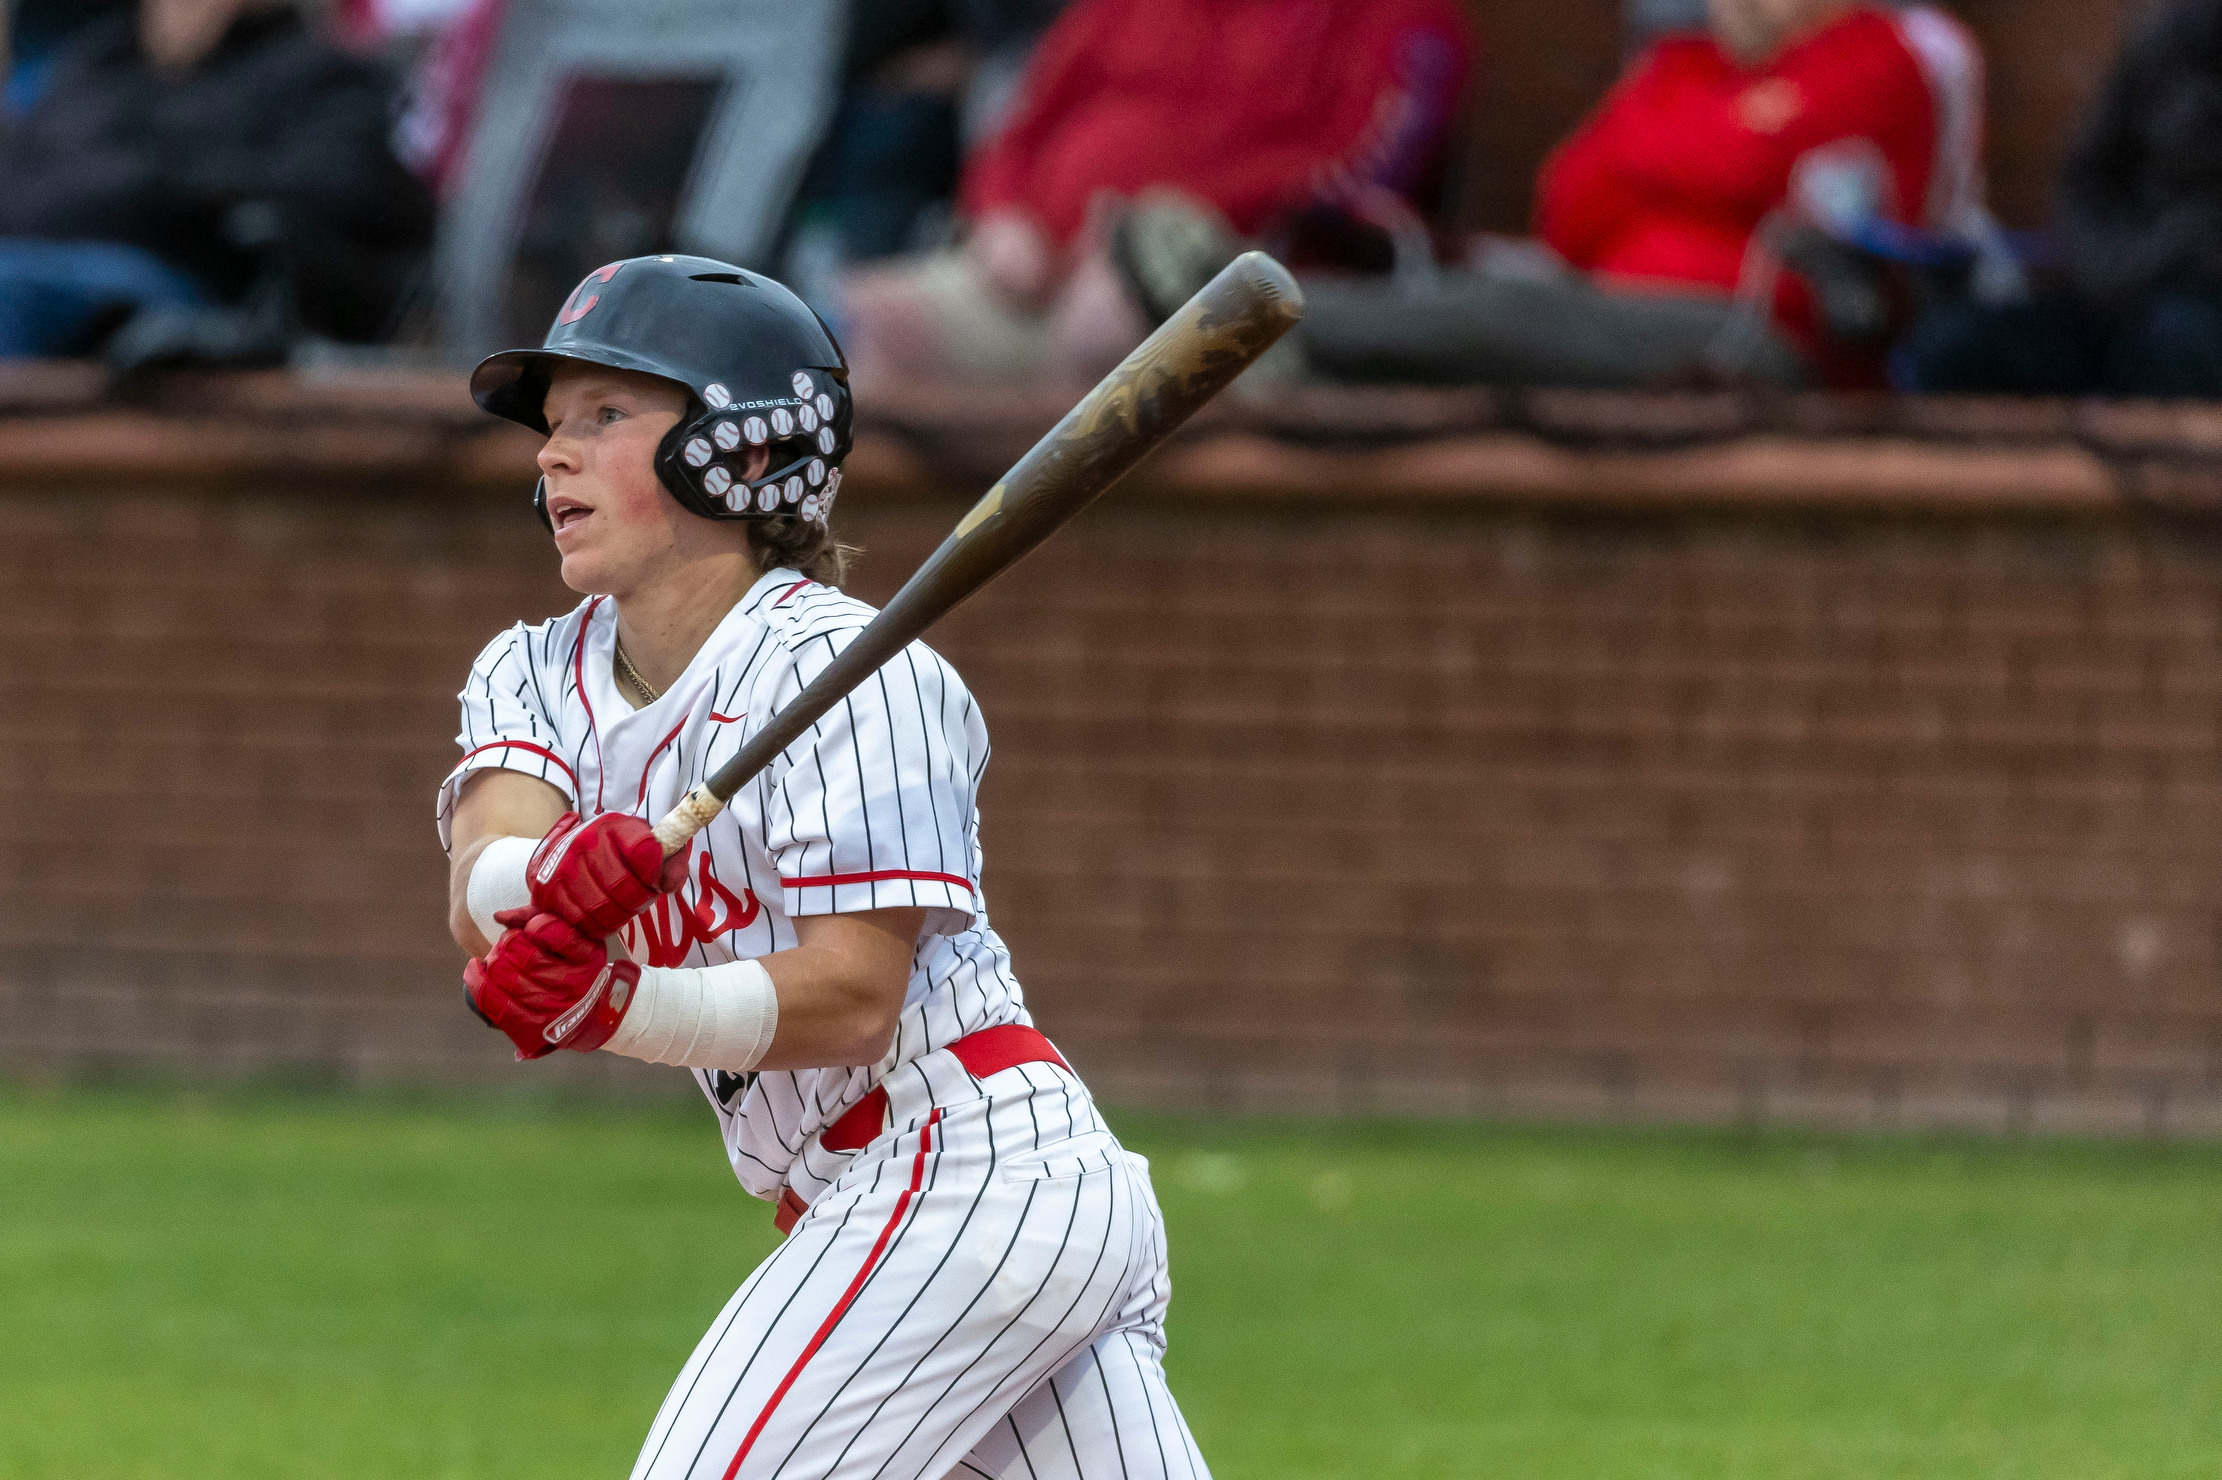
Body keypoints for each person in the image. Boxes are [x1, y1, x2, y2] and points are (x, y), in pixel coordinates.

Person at [442, 255, 1209, 1480]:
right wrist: (540, 886)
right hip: (872, 1205)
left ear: (740, 455)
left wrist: (621, 1003)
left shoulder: (860, 675)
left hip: (966, 1171)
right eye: (551, 425)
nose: (552, 453)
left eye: (605, 415)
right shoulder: (533, 668)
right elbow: (489, 864)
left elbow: (856, 998)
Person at [1127, 0, 1988, 390]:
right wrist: (1708, 150)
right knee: (1511, 298)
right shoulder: (1685, 65)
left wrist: (1672, 156)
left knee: (1509, 314)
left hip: (1763, 335)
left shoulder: (1888, 52)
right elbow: (1568, 198)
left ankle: (1260, 327)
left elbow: (1732, 163)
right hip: (1609, 302)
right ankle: (1261, 325)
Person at [838, 0, 1473, 387]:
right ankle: (884, 598)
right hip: (1036, 277)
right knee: (870, 320)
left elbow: (1367, 177)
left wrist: (1147, 228)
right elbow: (1016, 133)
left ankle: (1068, 592)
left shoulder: (1398, 15)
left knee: (1108, 322)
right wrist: (1003, 219)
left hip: (1234, 291)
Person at [0, 0, 434, 357]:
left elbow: (329, 197)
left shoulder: (324, 76)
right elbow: (17, 179)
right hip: (35, 262)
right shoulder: (93, 66)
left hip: (180, 301)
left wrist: (142, 183)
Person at [1898, 0, 2222, 398]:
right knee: (1953, 345)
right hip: (2124, 292)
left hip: (2195, 318)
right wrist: (2116, 269)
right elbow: (2084, 182)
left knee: (2174, 342)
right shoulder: (2172, 34)